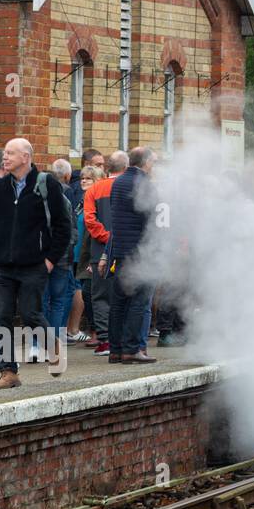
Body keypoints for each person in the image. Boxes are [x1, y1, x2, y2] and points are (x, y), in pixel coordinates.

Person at [0, 138, 71, 390]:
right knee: (2, 317)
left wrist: (51, 259)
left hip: (34, 265)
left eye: (10, 153)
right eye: (5, 153)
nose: (5, 157)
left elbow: (64, 227)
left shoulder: (47, 184)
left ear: (25, 157)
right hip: (4, 266)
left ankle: (52, 346)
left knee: (31, 314)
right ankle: (8, 372)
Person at [104, 147, 158, 364]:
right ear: (145, 162)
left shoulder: (118, 182)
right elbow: (151, 222)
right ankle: (132, 349)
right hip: (140, 252)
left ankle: (115, 350)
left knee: (119, 302)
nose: (153, 166)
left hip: (120, 252)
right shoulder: (144, 184)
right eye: (153, 161)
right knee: (139, 301)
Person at [83, 151, 128, 355]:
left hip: (100, 248)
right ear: (125, 168)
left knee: (101, 296)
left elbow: (90, 220)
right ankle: (122, 337)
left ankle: (105, 339)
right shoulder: (130, 188)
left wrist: (106, 236)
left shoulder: (94, 189)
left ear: (107, 167)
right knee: (125, 293)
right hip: (127, 247)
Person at [40, 158, 78, 369]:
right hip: (62, 259)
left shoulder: (34, 203)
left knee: (41, 302)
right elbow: (73, 232)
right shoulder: (65, 201)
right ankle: (54, 345)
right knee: (57, 302)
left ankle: (41, 345)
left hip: (41, 260)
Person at [65, 165, 104, 343]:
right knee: (77, 289)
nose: (84, 181)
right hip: (75, 253)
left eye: (89, 178)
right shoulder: (81, 201)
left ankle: (97, 331)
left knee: (89, 293)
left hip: (89, 255)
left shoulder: (98, 202)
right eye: (82, 178)